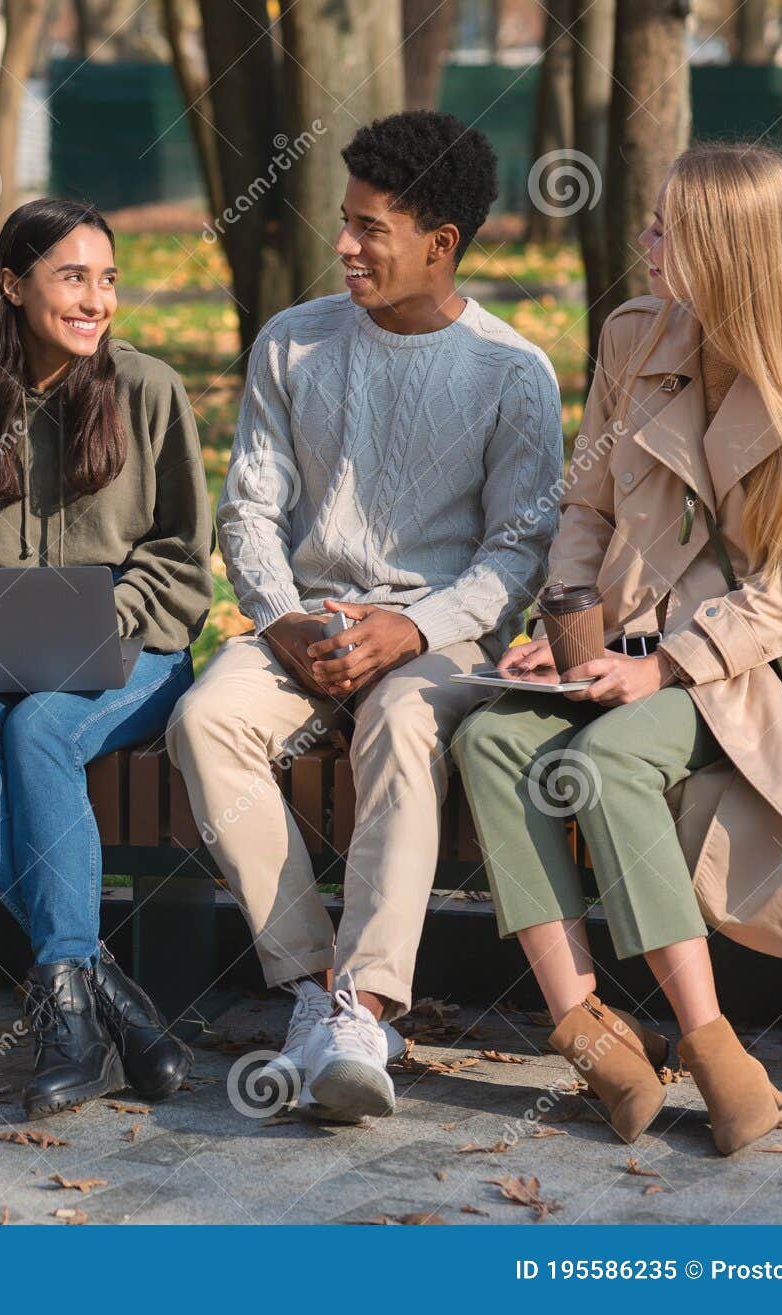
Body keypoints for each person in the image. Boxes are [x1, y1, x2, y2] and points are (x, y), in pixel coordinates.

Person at [451, 142, 782, 1155]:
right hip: (625, 644)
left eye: (667, 231)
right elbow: (584, 507)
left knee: (606, 762)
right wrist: (564, 636)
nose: (644, 244)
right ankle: (592, 1032)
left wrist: (663, 664)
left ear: (733, 250)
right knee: (488, 741)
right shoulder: (632, 337)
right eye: (651, 223)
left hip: (754, 665)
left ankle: (705, 1040)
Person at [167, 111, 564, 1122]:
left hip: (438, 635)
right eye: (343, 223)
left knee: (401, 720)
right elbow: (248, 507)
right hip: (305, 619)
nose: (344, 246)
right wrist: (283, 615)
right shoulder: (292, 341)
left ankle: (367, 998)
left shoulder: (512, 372)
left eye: (369, 228)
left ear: (441, 243)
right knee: (203, 719)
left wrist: (419, 629)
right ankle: (311, 992)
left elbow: (517, 548)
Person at [0, 198, 213, 1119]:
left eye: (107, 278)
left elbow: (184, 556)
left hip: (132, 649)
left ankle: (68, 1022)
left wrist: (102, 613)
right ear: (12, 284)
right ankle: (101, 992)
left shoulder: (149, 390)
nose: (96, 299)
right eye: (72, 276)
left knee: (41, 727)